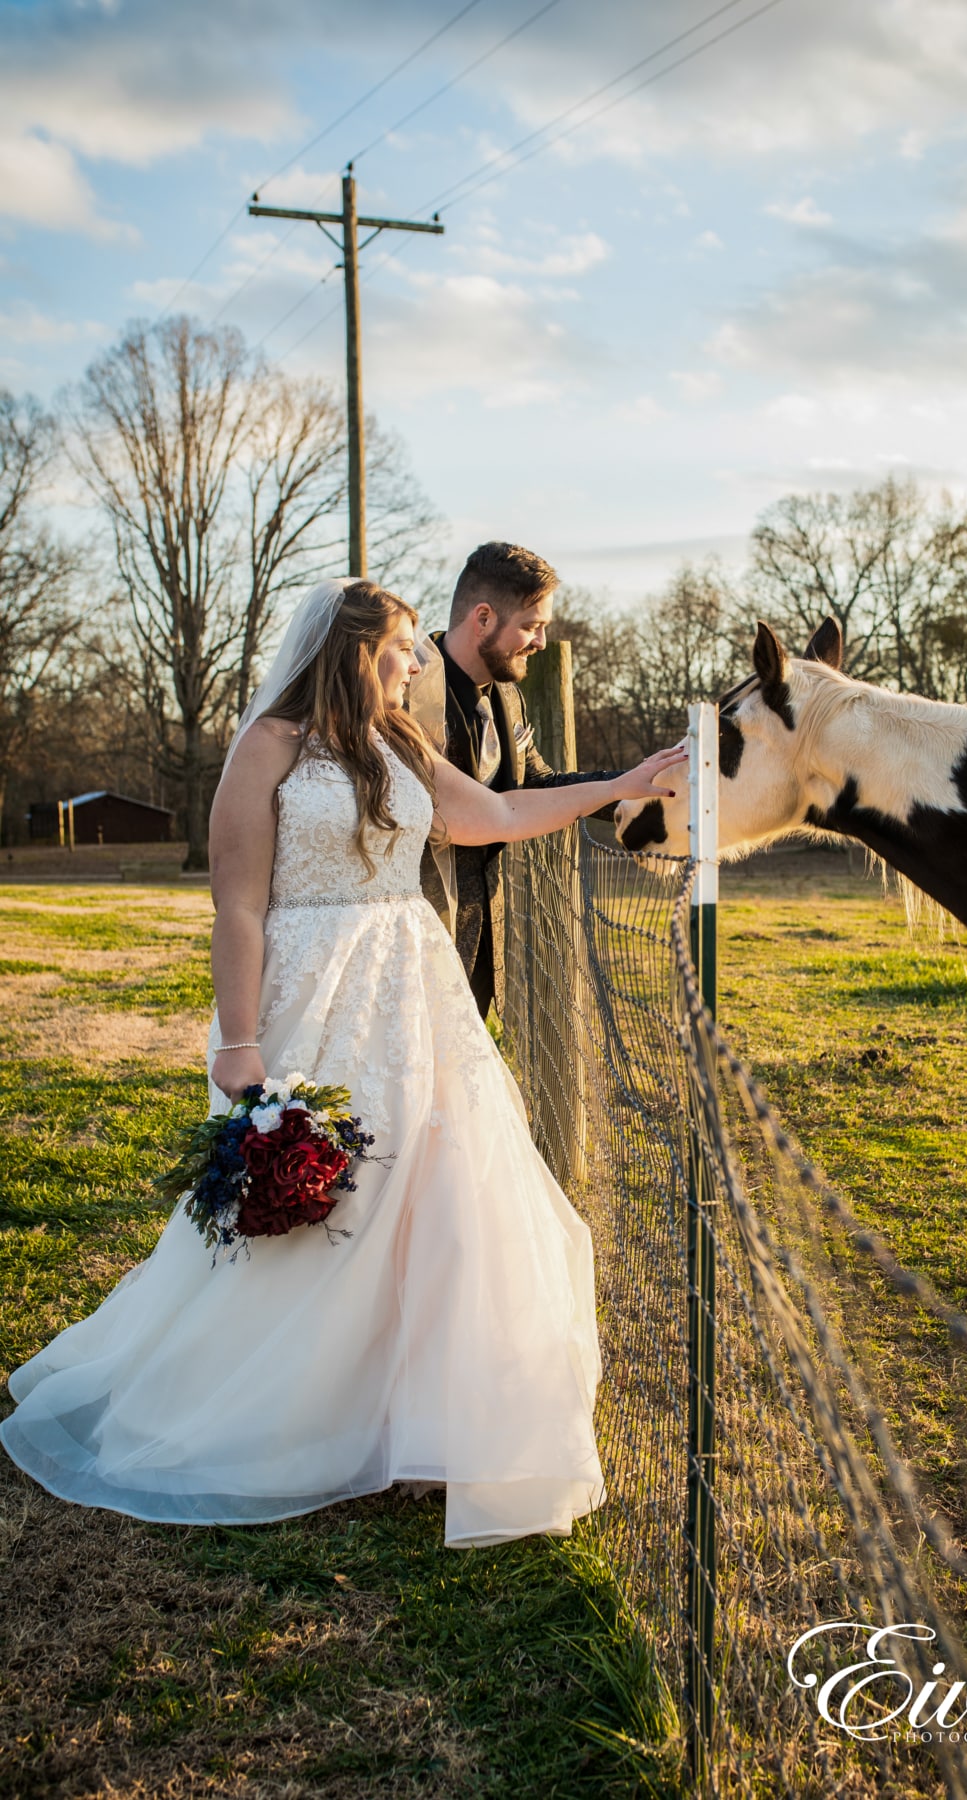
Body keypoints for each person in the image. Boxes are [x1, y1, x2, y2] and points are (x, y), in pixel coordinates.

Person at [0, 577, 685, 1549]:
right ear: (360, 649)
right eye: (406, 647)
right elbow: (237, 904)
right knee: (321, 1206)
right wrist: (239, 1043)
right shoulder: (267, 746)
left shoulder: (404, 742)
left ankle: (423, 1425)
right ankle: (290, 1410)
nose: (416, 663)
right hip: (304, 993)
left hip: (413, 988)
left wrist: (616, 786)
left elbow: (490, 815)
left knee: (438, 1191)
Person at [417, 541, 620, 1019]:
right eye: (532, 627)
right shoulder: (407, 689)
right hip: (418, 934)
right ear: (483, 618)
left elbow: (536, 785)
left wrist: (635, 786)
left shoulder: (507, 696)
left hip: (486, 931)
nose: (542, 643)